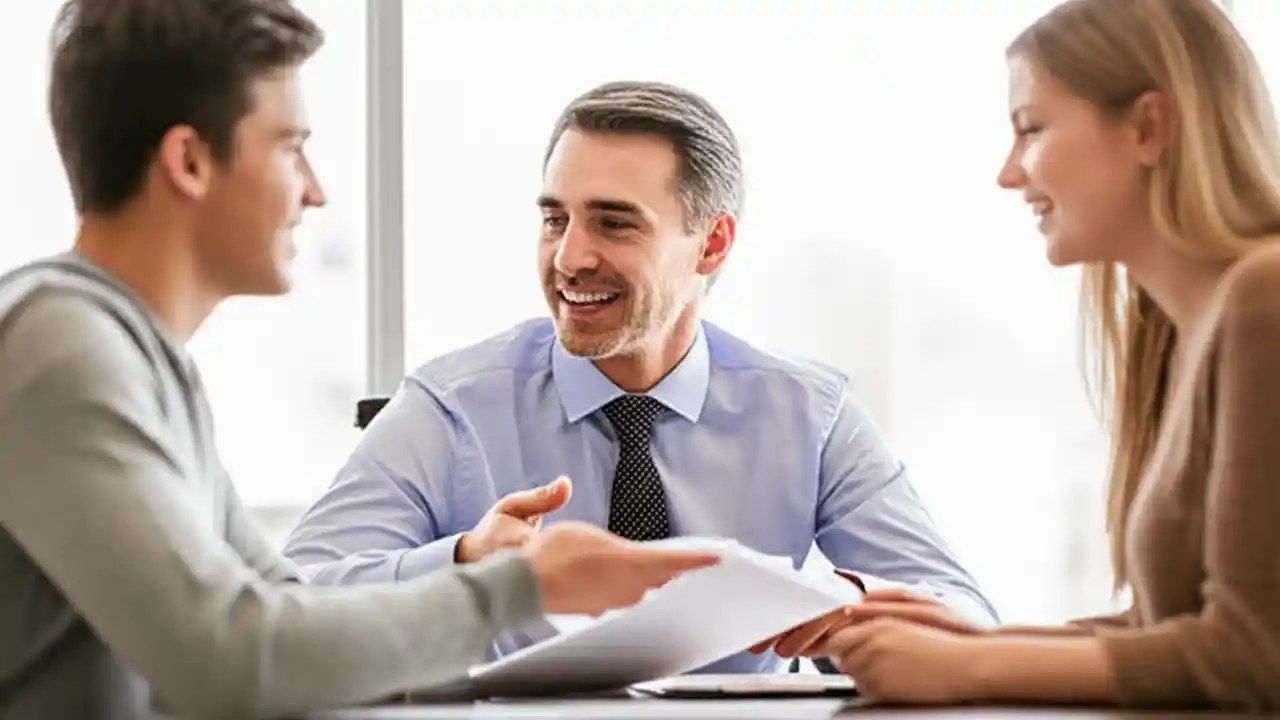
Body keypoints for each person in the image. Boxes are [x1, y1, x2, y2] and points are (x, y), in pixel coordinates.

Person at [0, 2, 720, 718]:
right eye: (290, 148)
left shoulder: (141, 361)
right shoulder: (60, 346)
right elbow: (231, 657)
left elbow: (289, 612)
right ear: (189, 162)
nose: (314, 191)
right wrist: (521, 587)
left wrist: (492, 583)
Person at [283, 79, 998, 674]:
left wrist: (852, 606)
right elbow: (291, 603)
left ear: (711, 244)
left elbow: (966, 616)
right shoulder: (451, 406)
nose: (570, 258)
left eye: (614, 224)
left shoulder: (812, 416)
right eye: (555, 219)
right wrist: (470, 561)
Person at [786, 0, 1280, 710]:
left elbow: (1254, 655)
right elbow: (1168, 628)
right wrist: (974, 641)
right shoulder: (1181, 333)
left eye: (1031, 129)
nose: (1008, 173)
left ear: (1149, 127)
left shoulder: (1266, 298)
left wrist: (973, 667)